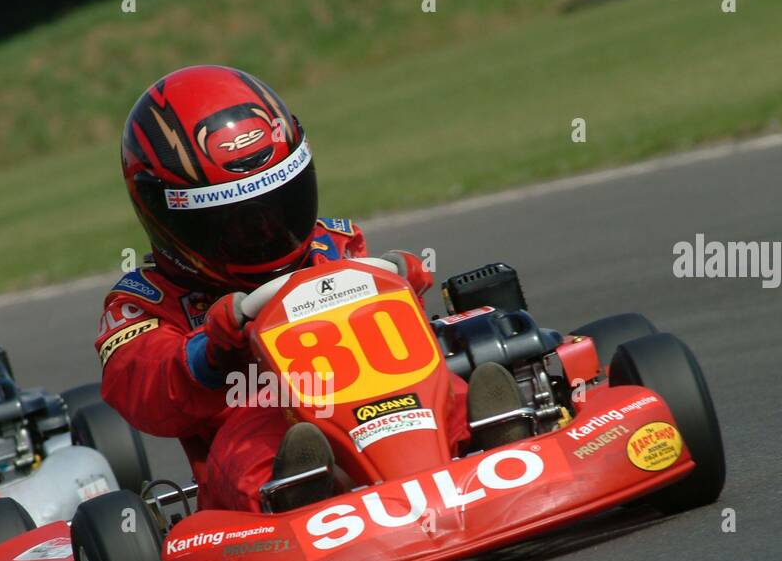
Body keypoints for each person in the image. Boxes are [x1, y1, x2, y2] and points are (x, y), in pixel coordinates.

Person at [95, 65, 526, 512]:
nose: (264, 231)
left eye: (279, 204)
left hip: (390, 395)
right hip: (261, 416)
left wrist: (400, 281)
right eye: (234, 222)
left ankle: (497, 432)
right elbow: (143, 387)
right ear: (165, 215)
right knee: (249, 456)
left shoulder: (335, 244)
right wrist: (213, 347)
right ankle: (301, 491)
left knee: (446, 393)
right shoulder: (143, 301)